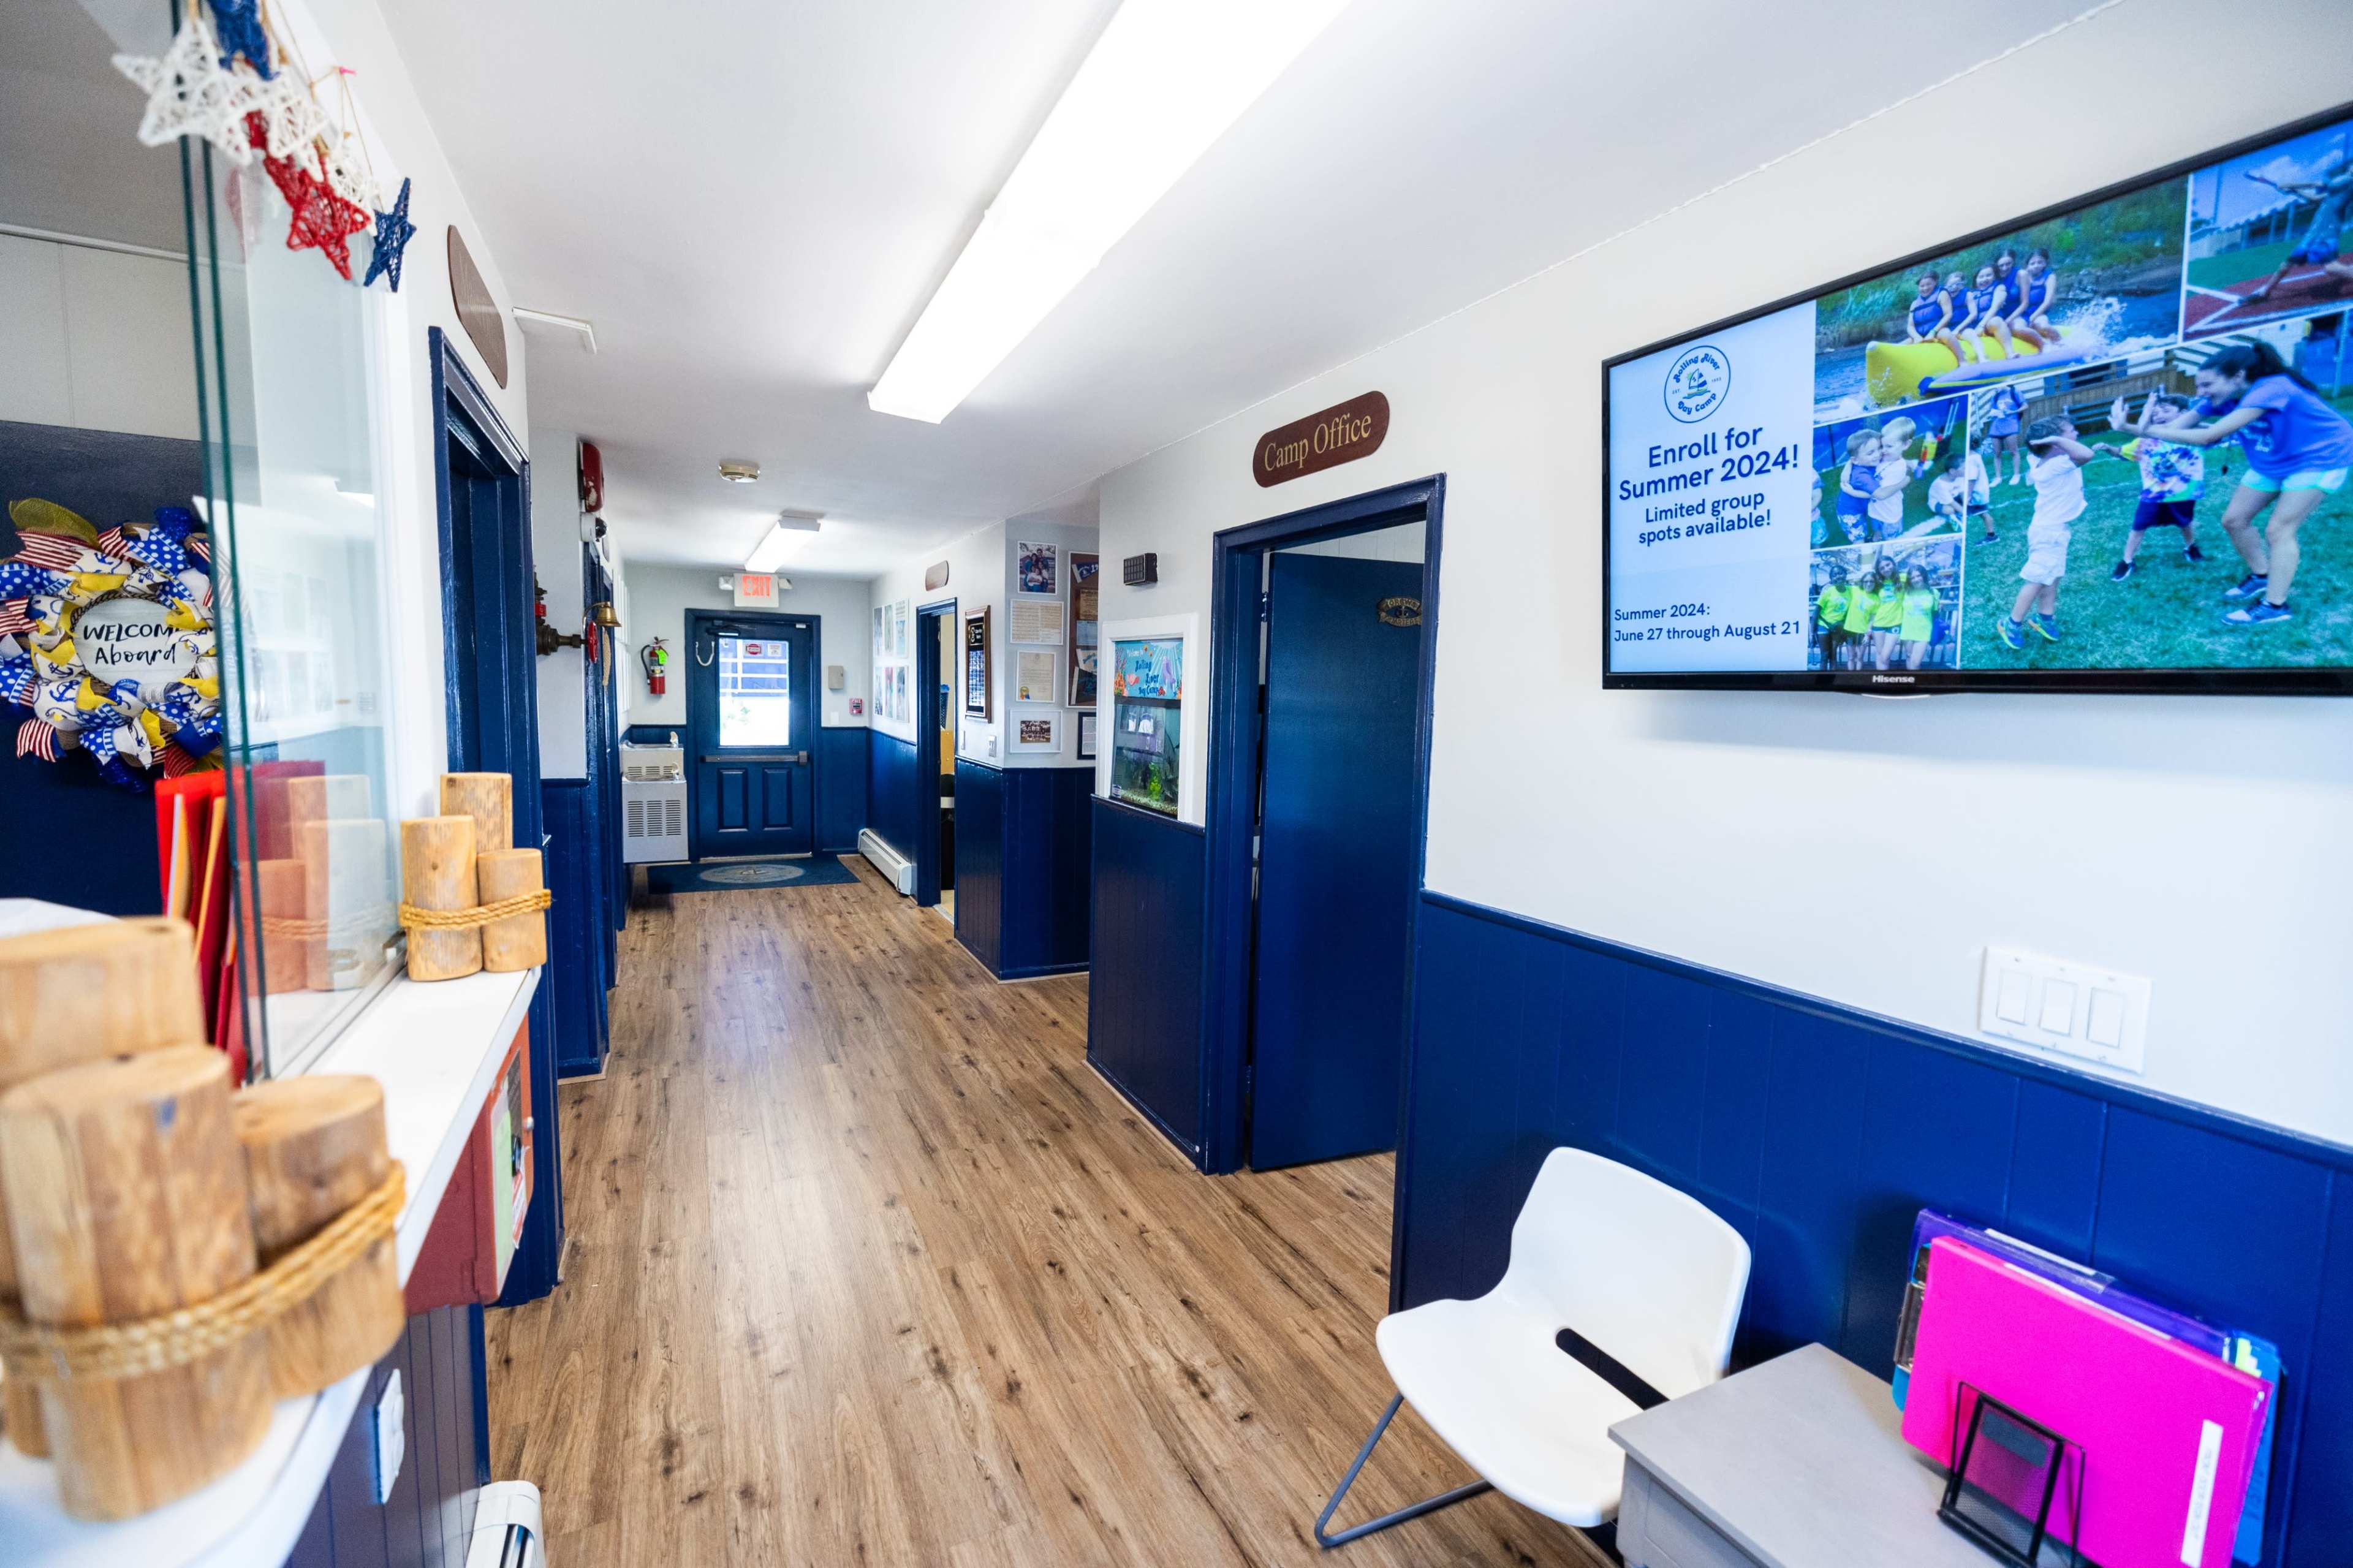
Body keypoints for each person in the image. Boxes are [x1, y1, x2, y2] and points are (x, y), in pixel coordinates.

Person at [2145, 338, 2353, 626]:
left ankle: (2275, 605)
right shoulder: (2222, 397)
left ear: (2238, 377)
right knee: (2234, 520)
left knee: (2279, 530)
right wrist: (2141, 426)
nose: (2200, 393)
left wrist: (2140, 429)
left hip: (2320, 456)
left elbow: (2208, 436)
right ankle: (2261, 575)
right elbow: (2174, 429)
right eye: (2199, 386)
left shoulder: (2272, 388)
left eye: (2206, 385)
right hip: (2276, 458)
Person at [1998, 415, 2124, 649]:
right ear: (2055, 444)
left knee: (2052, 576)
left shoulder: (2040, 460)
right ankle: (2011, 623)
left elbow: (2041, 450)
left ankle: (2045, 618)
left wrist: (2055, 441)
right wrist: (2056, 437)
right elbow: (2086, 455)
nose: (2076, 434)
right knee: (2036, 580)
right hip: (2048, 532)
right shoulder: (2055, 465)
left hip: (2055, 529)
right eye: (2071, 432)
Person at [2109, 390, 2208, 581]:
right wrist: (2108, 448)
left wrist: (2191, 422)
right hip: (2154, 494)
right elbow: (2122, 453)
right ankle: (2127, 561)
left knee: (2185, 522)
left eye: (2165, 410)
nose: (2158, 414)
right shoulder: (2145, 440)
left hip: (2184, 493)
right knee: (2138, 526)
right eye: (2154, 412)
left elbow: (2216, 430)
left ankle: (2191, 547)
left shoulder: (2195, 436)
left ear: (2184, 413)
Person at [2243, 159, 2353, 308]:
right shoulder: (2342, 188)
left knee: (2331, 268)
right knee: (2287, 264)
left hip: (2325, 232)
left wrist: (2290, 184)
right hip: (2315, 233)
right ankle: (2264, 294)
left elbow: (2318, 184)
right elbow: (2314, 199)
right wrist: (2295, 191)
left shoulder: (2346, 180)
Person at [1904, 270, 1966, 365]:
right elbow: (1910, 326)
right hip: (1920, 336)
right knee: (1903, 344)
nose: (1925, 288)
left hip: (1938, 331)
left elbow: (1948, 314)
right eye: (1922, 286)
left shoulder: (1942, 294)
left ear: (1935, 283)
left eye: (1928, 284)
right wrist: (1917, 337)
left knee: (1945, 334)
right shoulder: (1915, 304)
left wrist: (1933, 332)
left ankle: (1962, 361)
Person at [1869, 417, 1917, 541]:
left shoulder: (1898, 468)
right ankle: (1876, 536)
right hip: (1875, 510)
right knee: (1877, 529)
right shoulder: (1883, 457)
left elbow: (1882, 494)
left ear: (1906, 444)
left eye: (1889, 446)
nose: (1883, 451)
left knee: (1890, 540)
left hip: (1890, 515)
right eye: (1882, 446)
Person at [1991, 246, 2047, 351]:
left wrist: (2010, 319)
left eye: (2008, 264)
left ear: (2013, 262)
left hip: (2019, 315)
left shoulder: (2021, 274)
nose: (2005, 268)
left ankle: (2045, 345)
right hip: (2001, 316)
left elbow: (2025, 303)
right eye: (2001, 265)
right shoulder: (1996, 277)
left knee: (2018, 329)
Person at [1835, 431, 1882, 546]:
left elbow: (1853, 459)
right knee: (1859, 539)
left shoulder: (1862, 461)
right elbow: (1878, 494)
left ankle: (1874, 541)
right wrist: (1852, 492)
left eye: (1879, 448)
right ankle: (1863, 560)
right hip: (1850, 513)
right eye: (1871, 453)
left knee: (1863, 530)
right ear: (1855, 460)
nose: (1878, 455)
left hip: (1857, 508)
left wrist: (1848, 465)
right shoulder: (1861, 476)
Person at [2017, 247, 2064, 344]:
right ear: (2028, 265)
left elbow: (2047, 302)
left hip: (2039, 314)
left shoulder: (2050, 277)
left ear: (2045, 263)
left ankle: (2062, 344)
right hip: (2022, 314)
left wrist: (2033, 317)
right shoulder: (2022, 277)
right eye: (2032, 263)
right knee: (2018, 328)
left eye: (2040, 262)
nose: (2036, 266)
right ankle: (2043, 344)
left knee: (2043, 327)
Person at [1900, 564, 1941, 670]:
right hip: (1907, 630)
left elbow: (1935, 612)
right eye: (1912, 577)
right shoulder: (1906, 592)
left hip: (1924, 630)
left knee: (1916, 662)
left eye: (1918, 576)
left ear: (1924, 576)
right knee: (1909, 657)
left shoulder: (1934, 593)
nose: (1916, 579)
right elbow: (1897, 576)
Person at [1985, 382, 2028, 485]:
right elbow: (1993, 410)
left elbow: (2025, 406)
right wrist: (1991, 414)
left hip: (2011, 425)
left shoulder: (2015, 392)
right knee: (1997, 453)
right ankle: (1998, 478)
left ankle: (2016, 475)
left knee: (2013, 451)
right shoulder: (1995, 396)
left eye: (1997, 385)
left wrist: (2013, 412)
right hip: (1996, 426)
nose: (1995, 388)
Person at [1869, 554, 1907, 666]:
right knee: (1881, 655)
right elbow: (1863, 587)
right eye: (1882, 568)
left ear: (1894, 564)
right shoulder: (1878, 583)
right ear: (1879, 571)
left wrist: (1936, 599)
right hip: (1879, 623)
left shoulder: (1904, 578)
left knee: (1884, 656)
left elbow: (1921, 584)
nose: (1886, 569)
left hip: (1895, 623)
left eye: (1888, 565)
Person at [1841, 566, 1882, 668]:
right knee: (1851, 657)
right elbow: (1841, 587)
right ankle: (1850, 678)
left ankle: (1857, 678)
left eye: (1871, 582)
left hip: (1863, 631)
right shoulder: (1855, 590)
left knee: (1859, 658)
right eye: (1866, 581)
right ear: (1862, 582)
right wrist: (1828, 587)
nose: (1868, 584)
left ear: (1875, 583)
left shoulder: (1876, 599)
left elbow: (1872, 618)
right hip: (1849, 630)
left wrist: (1868, 634)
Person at [1814, 566, 1852, 670]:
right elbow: (1817, 610)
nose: (1838, 577)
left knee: (1833, 655)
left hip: (1837, 628)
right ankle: (1822, 681)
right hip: (1823, 625)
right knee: (1825, 655)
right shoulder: (1828, 590)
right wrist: (1813, 632)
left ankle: (1833, 681)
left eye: (1840, 573)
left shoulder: (1852, 590)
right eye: (1834, 575)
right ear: (1831, 579)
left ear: (1845, 574)